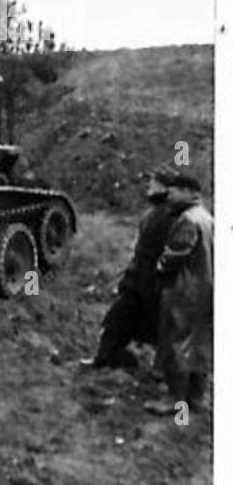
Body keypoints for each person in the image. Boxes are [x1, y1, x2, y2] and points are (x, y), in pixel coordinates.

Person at [81, 170, 184, 370]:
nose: (149, 189)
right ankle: (103, 360)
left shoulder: (173, 217)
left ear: (165, 189)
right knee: (117, 319)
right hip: (138, 281)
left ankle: (166, 374)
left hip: (156, 284)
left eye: (154, 185)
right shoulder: (154, 214)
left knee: (161, 329)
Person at [153, 173, 214, 405]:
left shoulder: (188, 220)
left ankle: (174, 399)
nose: (169, 194)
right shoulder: (206, 217)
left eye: (175, 190)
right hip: (206, 287)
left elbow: (174, 255)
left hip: (185, 289)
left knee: (176, 342)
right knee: (200, 342)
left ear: (190, 192)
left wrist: (160, 267)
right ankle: (196, 397)